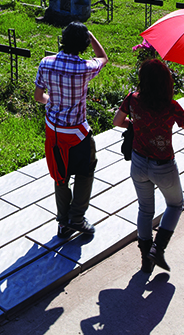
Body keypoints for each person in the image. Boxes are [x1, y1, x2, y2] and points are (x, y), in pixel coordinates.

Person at [113, 58, 184, 273]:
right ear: (166, 81)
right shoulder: (171, 107)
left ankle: (145, 259)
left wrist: (135, 124)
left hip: (138, 163)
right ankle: (158, 249)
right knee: (175, 204)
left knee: (145, 209)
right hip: (164, 166)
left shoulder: (132, 99)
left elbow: (117, 121)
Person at [35, 22, 108, 238]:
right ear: (84, 45)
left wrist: (52, 102)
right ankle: (77, 218)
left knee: (60, 176)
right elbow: (103, 57)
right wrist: (91, 36)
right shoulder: (84, 68)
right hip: (77, 134)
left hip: (54, 132)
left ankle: (63, 222)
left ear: (63, 39)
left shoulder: (46, 63)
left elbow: (39, 97)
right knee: (86, 172)